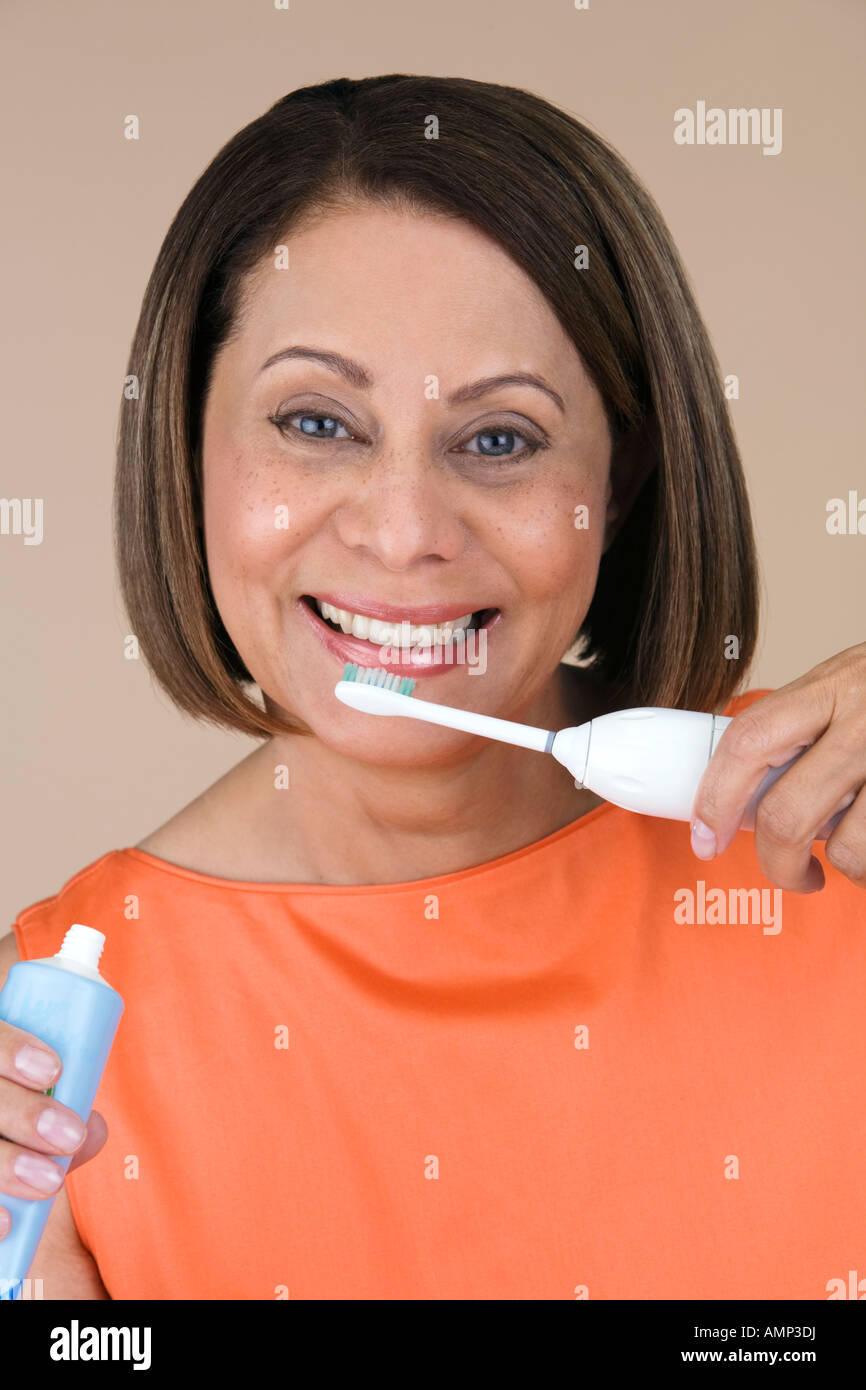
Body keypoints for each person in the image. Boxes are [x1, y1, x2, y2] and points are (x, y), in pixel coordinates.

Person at [2, 75, 864, 1300]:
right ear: (186, 451)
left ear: (614, 486)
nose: (403, 534)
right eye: (314, 421)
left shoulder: (828, 845)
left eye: (499, 438)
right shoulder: (53, 1046)